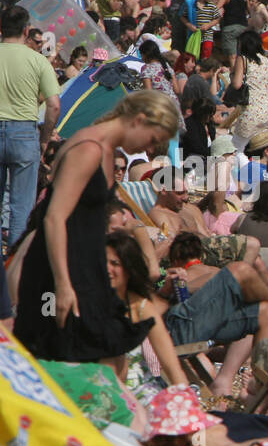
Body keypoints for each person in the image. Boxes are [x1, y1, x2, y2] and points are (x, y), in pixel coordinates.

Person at [15, 92, 176, 367]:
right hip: (59, 269)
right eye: (152, 140)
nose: (150, 150)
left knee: (105, 355)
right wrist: (63, 285)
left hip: (84, 266)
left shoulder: (105, 149)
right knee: (61, 357)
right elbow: (54, 217)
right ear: (139, 120)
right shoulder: (89, 148)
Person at [0, 5, 62, 250]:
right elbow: (54, 106)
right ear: (27, 31)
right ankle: (14, 268)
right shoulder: (37, 60)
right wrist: (45, 137)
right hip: (24, 132)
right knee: (21, 208)